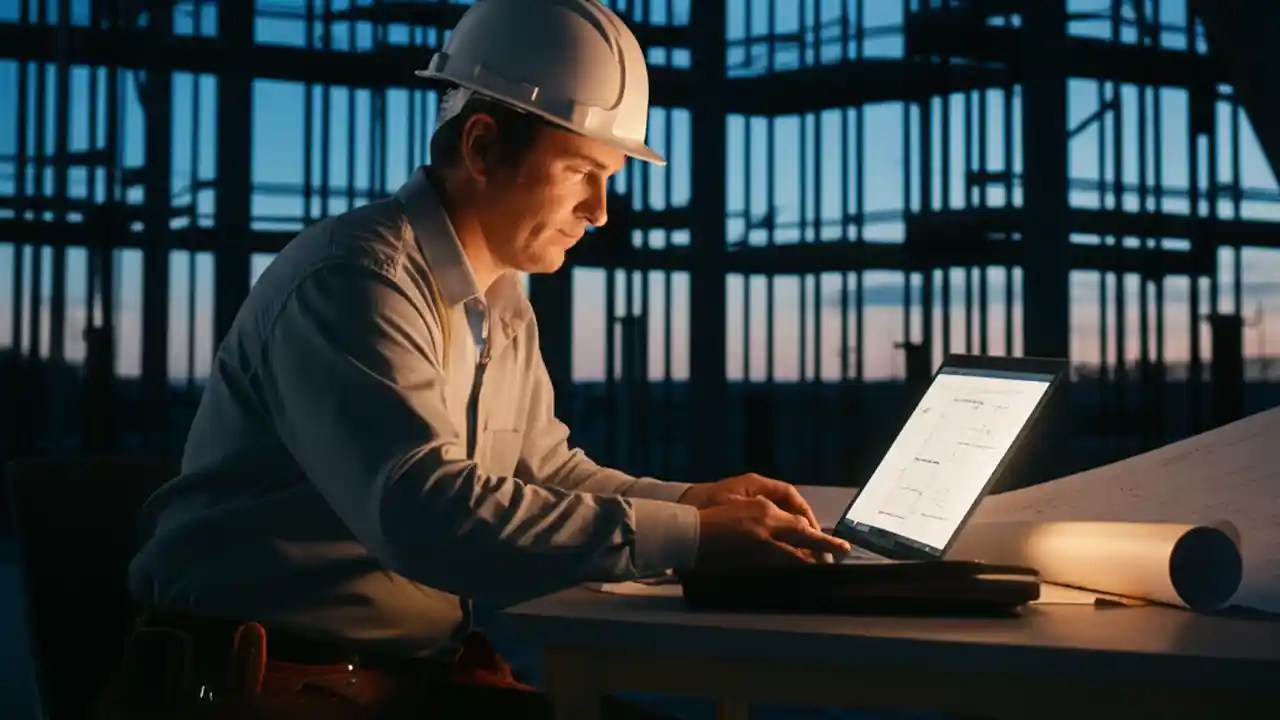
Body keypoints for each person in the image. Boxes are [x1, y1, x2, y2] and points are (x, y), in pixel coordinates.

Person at [106, 1, 850, 717]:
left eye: (608, 181)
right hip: (265, 689)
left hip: (388, 679)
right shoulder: (352, 281)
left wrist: (692, 505)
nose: (600, 213)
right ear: (484, 147)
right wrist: (687, 542)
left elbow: (542, 473)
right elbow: (423, 513)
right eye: (581, 173)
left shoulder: (496, 297)